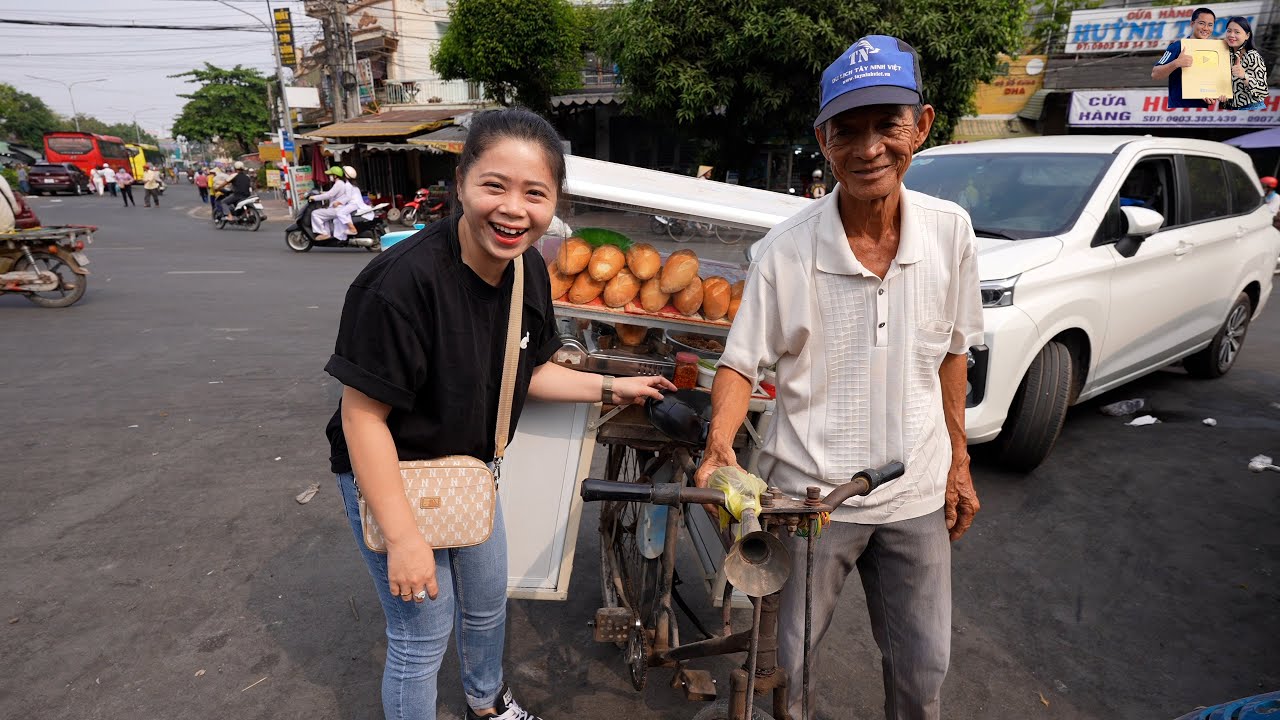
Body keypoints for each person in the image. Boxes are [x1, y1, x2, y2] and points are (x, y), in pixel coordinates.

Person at [325, 107, 676, 720]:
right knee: (421, 633)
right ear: (462, 182)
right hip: (392, 473)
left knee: (488, 605)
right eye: (495, 185)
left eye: (534, 193)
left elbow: (527, 369)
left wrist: (609, 388)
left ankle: (486, 705)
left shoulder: (527, 270)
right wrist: (403, 539)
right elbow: (362, 418)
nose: (514, 209)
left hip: (469, 472)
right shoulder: (400, 285)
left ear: (554, 203)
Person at [695, 35, 983, 720]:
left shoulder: (951, 233)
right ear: (823, 140)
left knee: (923, 670)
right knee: (788, 669)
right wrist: (719, 446)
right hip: (808, 502)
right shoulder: (784, 253)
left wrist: (960, 461)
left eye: (888, 125)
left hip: (914, 493)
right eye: (847, 130)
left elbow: (953, 353)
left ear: (922, 126)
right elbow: (739, 363)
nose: (869, 148)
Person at [1151, 7, 1216, 109]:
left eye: (1210, 25)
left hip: (1205, 111)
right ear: (1192, 24)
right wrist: (1176, 63)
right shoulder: (1177, 46)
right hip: (1179, 109)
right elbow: (1155, 75)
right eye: (1202, 23)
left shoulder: (1215, 51)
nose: (1206, 28)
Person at [1222, 17, 1268, 110]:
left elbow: (1263, 90)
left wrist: (1244, 76)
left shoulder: (1253, 56)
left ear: (1247, 35)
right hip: (1231, 107)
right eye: (1229, 31)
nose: (1231, 35)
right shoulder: (1226, 54)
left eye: (1237, 32)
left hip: (1250, 107)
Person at [308, 166, 351, 241]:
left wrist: (314, 197)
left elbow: (329, 195)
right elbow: (332, 193)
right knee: (324, 215)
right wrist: (322, 193)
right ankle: (327, 232)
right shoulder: (340, 183)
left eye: (330, 175)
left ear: (335, 176)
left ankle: (323, 233)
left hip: (337, 209)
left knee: (315, 213)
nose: (329, 177)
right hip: (338, 208)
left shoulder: (339, 184)